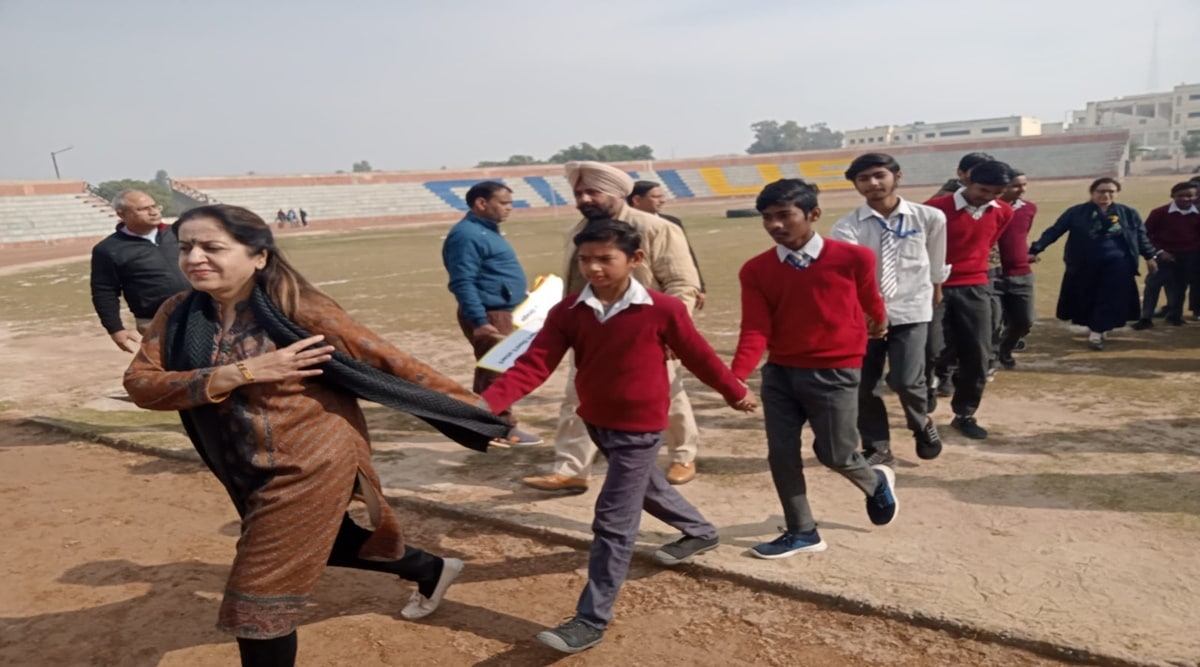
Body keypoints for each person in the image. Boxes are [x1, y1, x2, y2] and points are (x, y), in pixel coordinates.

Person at [123, 204, 510, 667]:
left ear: (258, 256)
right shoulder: (179, 314)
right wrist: (240, 373)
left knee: (255, 602)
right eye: (186, 248)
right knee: (339, 545)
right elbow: (141, 385)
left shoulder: (299, 309)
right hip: (244, 468)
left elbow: (389, 362)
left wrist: (480, 416)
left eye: (213, 247)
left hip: (312, 463)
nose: (195, 258)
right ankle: (432, 569)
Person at [482, 219, 755, 654]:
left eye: (605, 259)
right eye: (585, 259)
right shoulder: (568, 311)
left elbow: (699, 356)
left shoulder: (663, 308)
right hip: (597, 420)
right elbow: (533, 366)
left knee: (613, 518)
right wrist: (486, 406)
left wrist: (735, 391)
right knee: (644, 486)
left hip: (642, 427)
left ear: (635, 259)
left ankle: (590, 620)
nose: (593, 268)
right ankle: (700, 531)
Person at [731, 178, 897, 559]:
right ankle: (802, 530)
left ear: (813, 214)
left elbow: (870, 297)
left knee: (835, 453)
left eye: (784, 215)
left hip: (835, 371)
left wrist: (877, 319)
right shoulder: (756, 271)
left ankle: (874, 481)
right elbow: (755, 327)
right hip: (781, 374)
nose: (775, 225)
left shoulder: (853, 258)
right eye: (767, 218)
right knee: (781, 454)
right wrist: (736, 376)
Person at [522, 161, 703, 491]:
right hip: (591, 332)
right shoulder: (577, 232)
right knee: (577, 397)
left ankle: (683, 455)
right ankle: (572, 468)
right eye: (580, 193)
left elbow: (682, 284)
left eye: (594, 192)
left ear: (618, 193)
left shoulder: (655, 228)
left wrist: (673, 332)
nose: (586, 199)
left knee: (669, 395)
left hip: (647, 333)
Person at [830, 153, 947, 466]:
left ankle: (921, 423)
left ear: (898, 176)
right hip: (864, 317)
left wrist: (936, 288)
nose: (873, 184)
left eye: (879, 175)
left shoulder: (929, 218)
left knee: (908, 380)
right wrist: (866, 312)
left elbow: (936, 260)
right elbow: (848, 275)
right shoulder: (846, 228)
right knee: (864, 385)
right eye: (864, 179)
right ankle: (877, 445)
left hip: (912, 309)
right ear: (856, 186)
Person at [441, 180, 541, 446]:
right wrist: (480, 321)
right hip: (490, 314)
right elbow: (462, 281)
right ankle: (500, 428)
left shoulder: (486, 231)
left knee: (496, 368)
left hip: (504, 311)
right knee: (498, 370)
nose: (510, 208)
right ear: (481, 203)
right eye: (504, 203)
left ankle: (484, 424)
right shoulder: (467, 235)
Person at [923, 161, 1015, 440]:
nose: (987, 197)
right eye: (982, 189)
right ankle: (926, 390)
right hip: (933, 286)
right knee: (929, 347)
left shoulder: (1004, 212)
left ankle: (965, 413)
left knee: (977, 351)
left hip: (975, 286)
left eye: (996, 193)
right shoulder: (934, 209)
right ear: (967, 181)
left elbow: (988, 245)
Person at [1029, 178, 1165, 351]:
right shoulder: (1076, 212)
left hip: (1118, 264)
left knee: (1109, 297)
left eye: (1111, 191)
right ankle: (1097, 327)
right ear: (1092, 192)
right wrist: (1036, 249)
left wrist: (1149, 256)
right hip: (1084, 264)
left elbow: (1140, 236)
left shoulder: (1128, 213)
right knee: (1089, 297)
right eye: (1101, 191)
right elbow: (1054, 231)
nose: (1106, 195)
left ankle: (1097, 332)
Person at [90, 190, 190, 353]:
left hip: (204, 310)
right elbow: (104, 291)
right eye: (143, 209)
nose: (153, 212)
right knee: (180, 368)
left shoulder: (179, 233)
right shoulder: (108, 249)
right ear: (121, 214)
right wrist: (115, 329)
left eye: (155, 206)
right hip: (156, 321)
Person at [628, 180, 707, 310]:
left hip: (672, 287)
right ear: (636, 200)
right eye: (656, 197)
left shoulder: (672, 222)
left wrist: (700, 287)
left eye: (662, 196)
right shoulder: (620, 224)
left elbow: (687, 256)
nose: (662, 200)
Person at [1133, 182, 1199, 329]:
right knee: (1153, 285)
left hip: (1189, 256)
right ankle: (1145, 318)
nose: (1185, 199)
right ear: (1172, 196)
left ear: (1195, 197)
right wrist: (1159, 251)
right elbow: (1146, 234)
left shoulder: (1198, 214)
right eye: (1180, 195)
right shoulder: (1159, 213)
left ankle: (1175, 315)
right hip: (1163, 256)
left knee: (1180, 287)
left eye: (1189, 195)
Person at [993, 170, 1038, 368]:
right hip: (992, 274)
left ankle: (1006, 348)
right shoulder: (989, 208)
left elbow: (1020, 237)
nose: (1021, 190)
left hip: (1021, 273)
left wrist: (1024, 255)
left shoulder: (1029, 209)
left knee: (1024, 320)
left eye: (1024, 185)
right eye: (1015, 185)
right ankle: (990, 359)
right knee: (991, 323)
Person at [930, 151, 995, 198]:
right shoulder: (944, 199)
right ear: (960, 172)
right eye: (977, 172)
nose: (983, 176)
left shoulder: (994, 195)